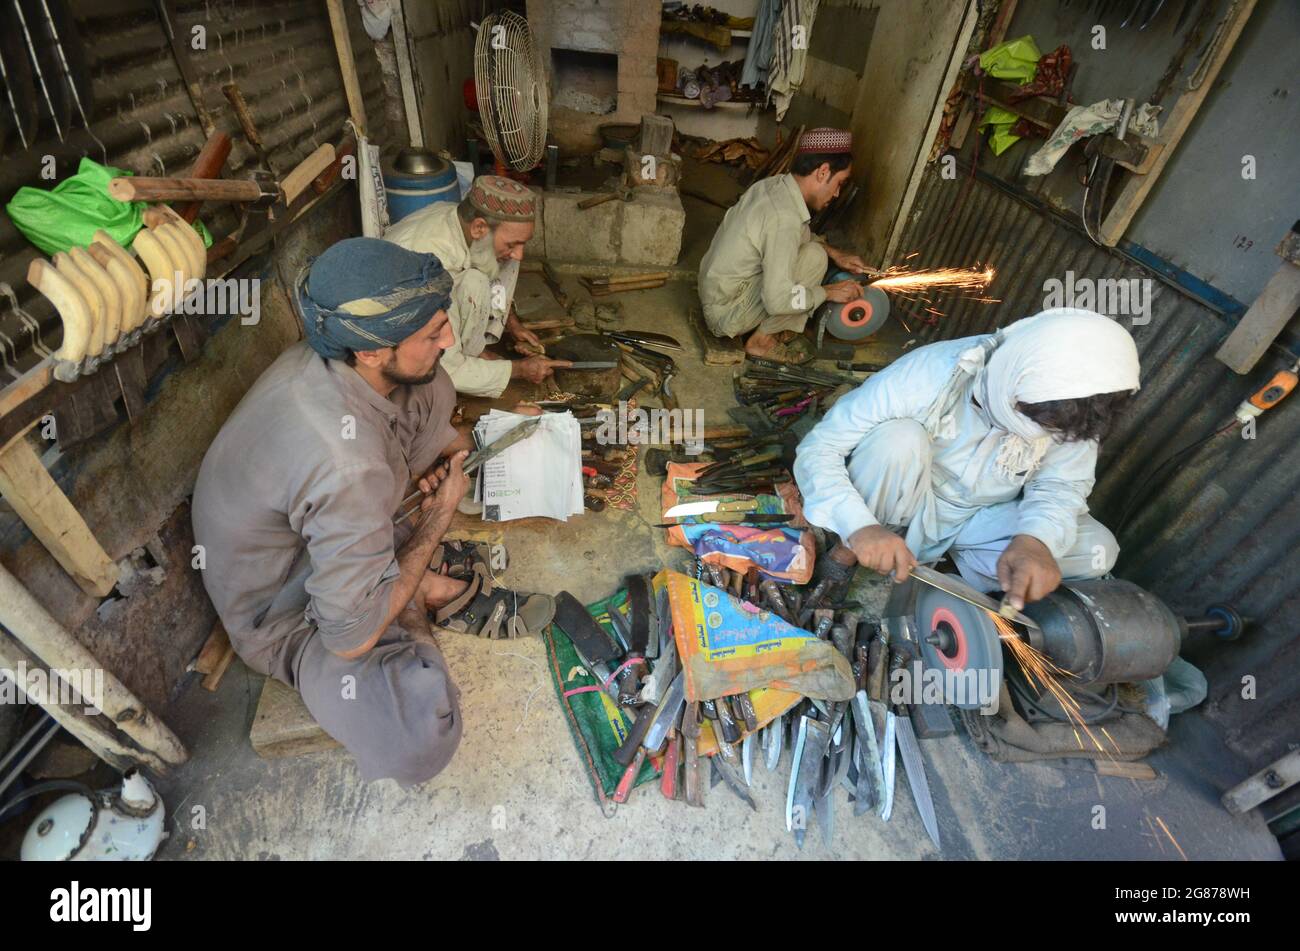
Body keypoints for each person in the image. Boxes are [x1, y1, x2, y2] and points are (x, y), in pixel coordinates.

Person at [192, 238, 553, 786]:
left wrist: (450, 455)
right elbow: (349, 640)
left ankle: (411, 582)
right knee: (419, 738)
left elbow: (421, 427)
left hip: (330, 531)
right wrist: (438, 515)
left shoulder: (336, 356)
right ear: (370, 351)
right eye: (433, 333)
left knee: (433, 383)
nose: (450, 338)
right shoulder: (346, 465)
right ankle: (420, 595)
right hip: (285, 607)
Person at [793, 308, 1140, 610]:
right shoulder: (932, 372)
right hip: (908, 498)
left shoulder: (1079, 402)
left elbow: (1061, 485)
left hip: (980, 517)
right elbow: (821, 447)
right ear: (1014, 386)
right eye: (1036, 424)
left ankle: (959, 577)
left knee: (1099, 549)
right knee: (899, 439)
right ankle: (847, 554)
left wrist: (1035, 540)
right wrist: (859, 526)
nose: (1042, 436)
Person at [698, 127, 875, 363]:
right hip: (726, 313)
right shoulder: (784, 219)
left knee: (817, 251)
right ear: (823, 172)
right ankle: (761, 342)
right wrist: (827, 292)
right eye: (839, 183)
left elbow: (800, 236)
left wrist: (836, 254)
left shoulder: (775, 186)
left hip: (715, 291)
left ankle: (773, 328)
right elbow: (777, 300)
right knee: (814, 259)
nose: (836, 194)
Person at [383, 174, 570, 396]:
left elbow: (495, 265)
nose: (520, 255)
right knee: (479, 277)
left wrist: (512, 324)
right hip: (397, 347)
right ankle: (469, 359)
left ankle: (475, 351)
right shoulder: (429, 271)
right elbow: (444, 369)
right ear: (479, 228)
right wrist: (518, 370)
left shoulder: (459, 219)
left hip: (432, 295)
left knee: (499, 257)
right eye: (513, 243)